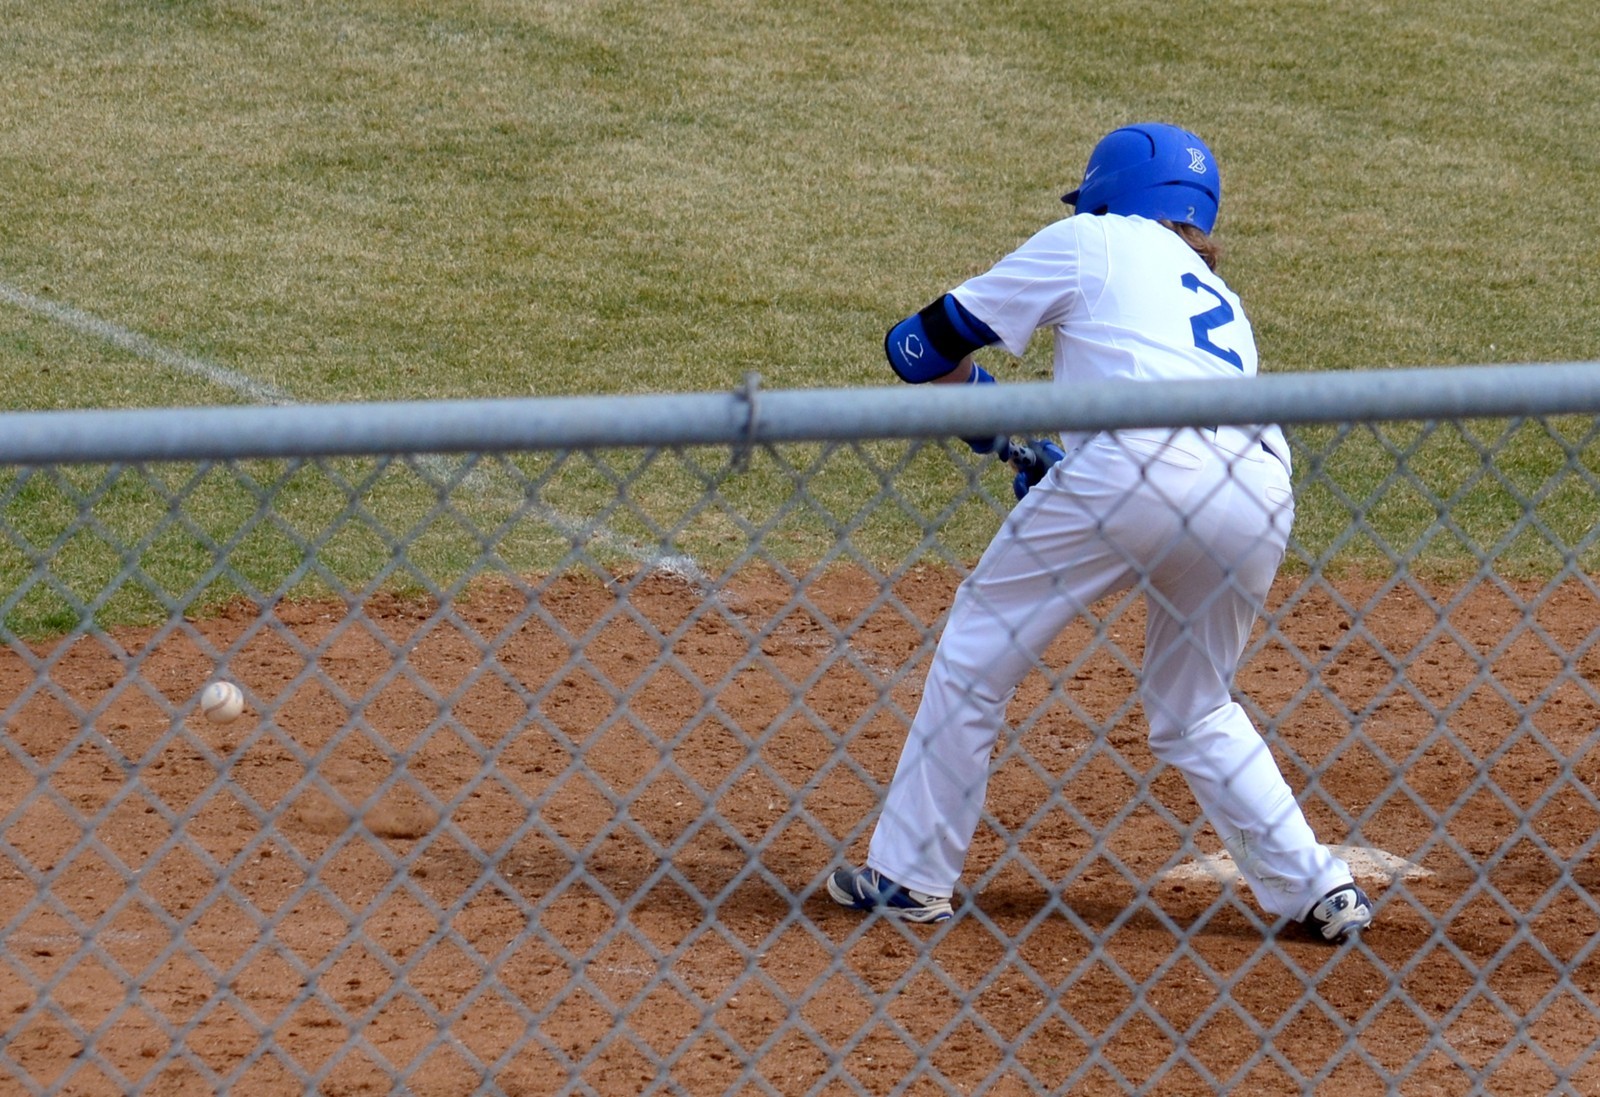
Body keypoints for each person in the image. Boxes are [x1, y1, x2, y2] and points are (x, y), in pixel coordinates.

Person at [826, 122, 1373, 944]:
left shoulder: (1092, 239)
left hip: (1134, 469)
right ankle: (1317, 887)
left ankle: (909, 877)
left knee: (978, 648)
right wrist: (1036, 447)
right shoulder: (1221, 298)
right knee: (1194, 704)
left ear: (1110, 194)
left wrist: (988, 409)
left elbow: (919, 348)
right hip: (1259, 490)